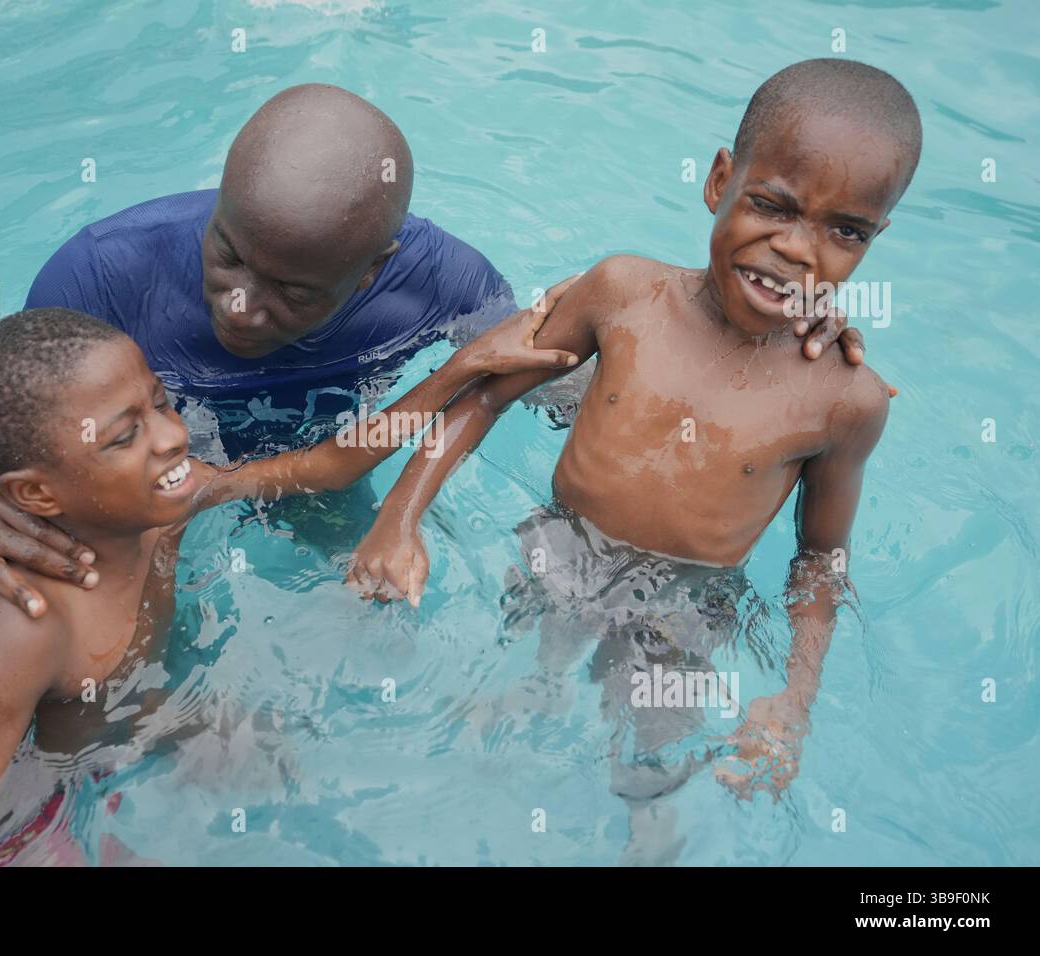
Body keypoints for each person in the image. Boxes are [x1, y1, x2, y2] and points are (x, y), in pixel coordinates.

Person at [0, 82, 862, 649]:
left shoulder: (441, 282)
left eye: (293, 291)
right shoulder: (102, 270)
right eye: (227, 256)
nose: (242, 305)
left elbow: (584, 393)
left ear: (378, 270)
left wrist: (775, 324)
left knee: (356, 629)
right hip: (148, 491)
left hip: (323, 461)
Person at [346, 59, 920, 831]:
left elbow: (821, 560)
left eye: (844, 231)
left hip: (688, 603)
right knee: (499, 705)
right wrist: (400, 517)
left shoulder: (844, 400)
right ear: (719, 180)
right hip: (560, 547)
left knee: (653, 771)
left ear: (875, 240)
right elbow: (488, 391)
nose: (798, 250)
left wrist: (793, 701)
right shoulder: (622, 293)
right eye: (771, 207)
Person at [0, 301, 576, 864]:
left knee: (275, 760)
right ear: (38, 495)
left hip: (158, 713)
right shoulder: (29, 621)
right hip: (33, 800)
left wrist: (463, 366)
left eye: (160, 405)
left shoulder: (165, 506)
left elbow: (327, 467)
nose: (169, 438)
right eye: (122, 437)